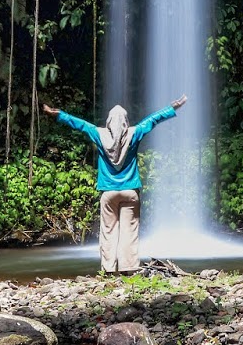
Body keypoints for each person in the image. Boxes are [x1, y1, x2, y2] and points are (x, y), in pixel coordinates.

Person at [41, 95, 187, 273]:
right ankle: (129, 267)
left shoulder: (99, 134)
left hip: (108, 192)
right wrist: (172, 108)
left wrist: (58, 114)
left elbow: (79, 124)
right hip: (130, 191)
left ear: (109, 121)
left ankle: (108, 268)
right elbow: (153, 120)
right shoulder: (134, 133)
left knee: (108, 231)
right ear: (126, 121)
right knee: (129, 232)